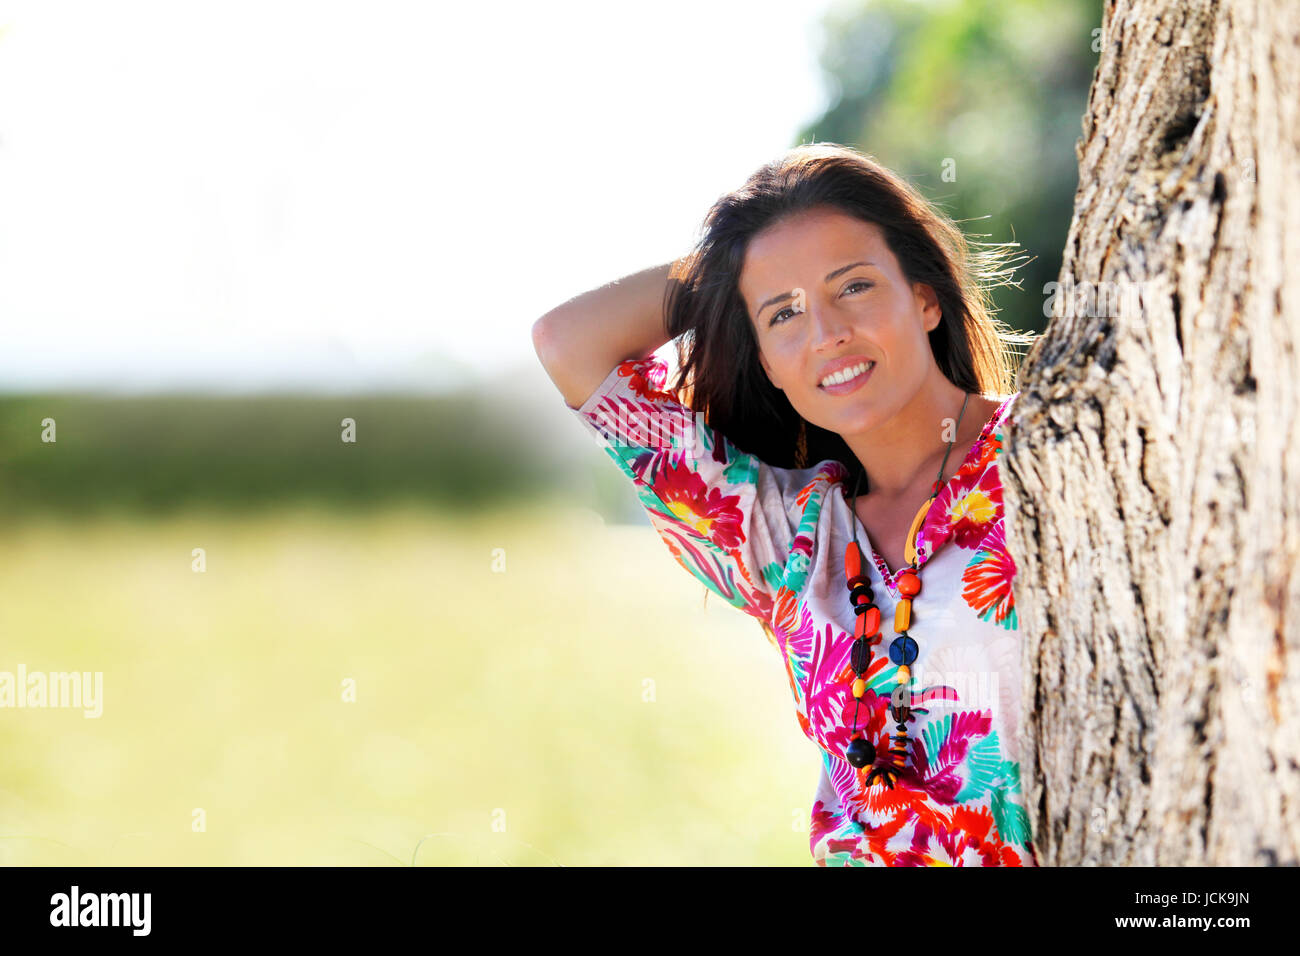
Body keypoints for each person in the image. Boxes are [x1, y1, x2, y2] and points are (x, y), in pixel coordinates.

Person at [532, 143, 1039, 866]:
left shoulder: (1053, 449)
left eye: (854, 287)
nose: (827, 334)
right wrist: (733, 267)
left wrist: (772, 272)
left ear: (925, 298)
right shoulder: (781, 537)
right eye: (783, 314)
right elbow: (568, 342)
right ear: (766, 361)